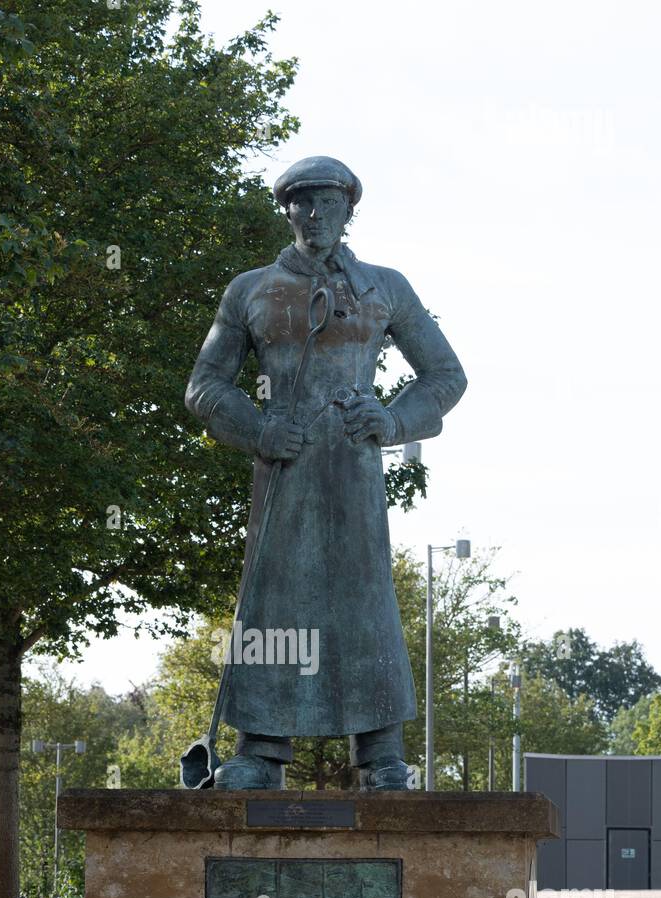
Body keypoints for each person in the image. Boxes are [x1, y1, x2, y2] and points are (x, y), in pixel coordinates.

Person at [185, 156, 467, 790]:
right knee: (273, 603)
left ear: (348, 209)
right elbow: (204, 387)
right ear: (287, 210)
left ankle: (381, 752)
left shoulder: (385, 287)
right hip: (282, 469)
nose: (314, 215)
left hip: (354, 471)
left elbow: (447, 376)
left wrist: (392, 421)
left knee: (364, 600)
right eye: (302, 203)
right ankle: (259, 749)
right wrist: (258, 429)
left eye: (327, 203)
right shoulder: (250, 289)